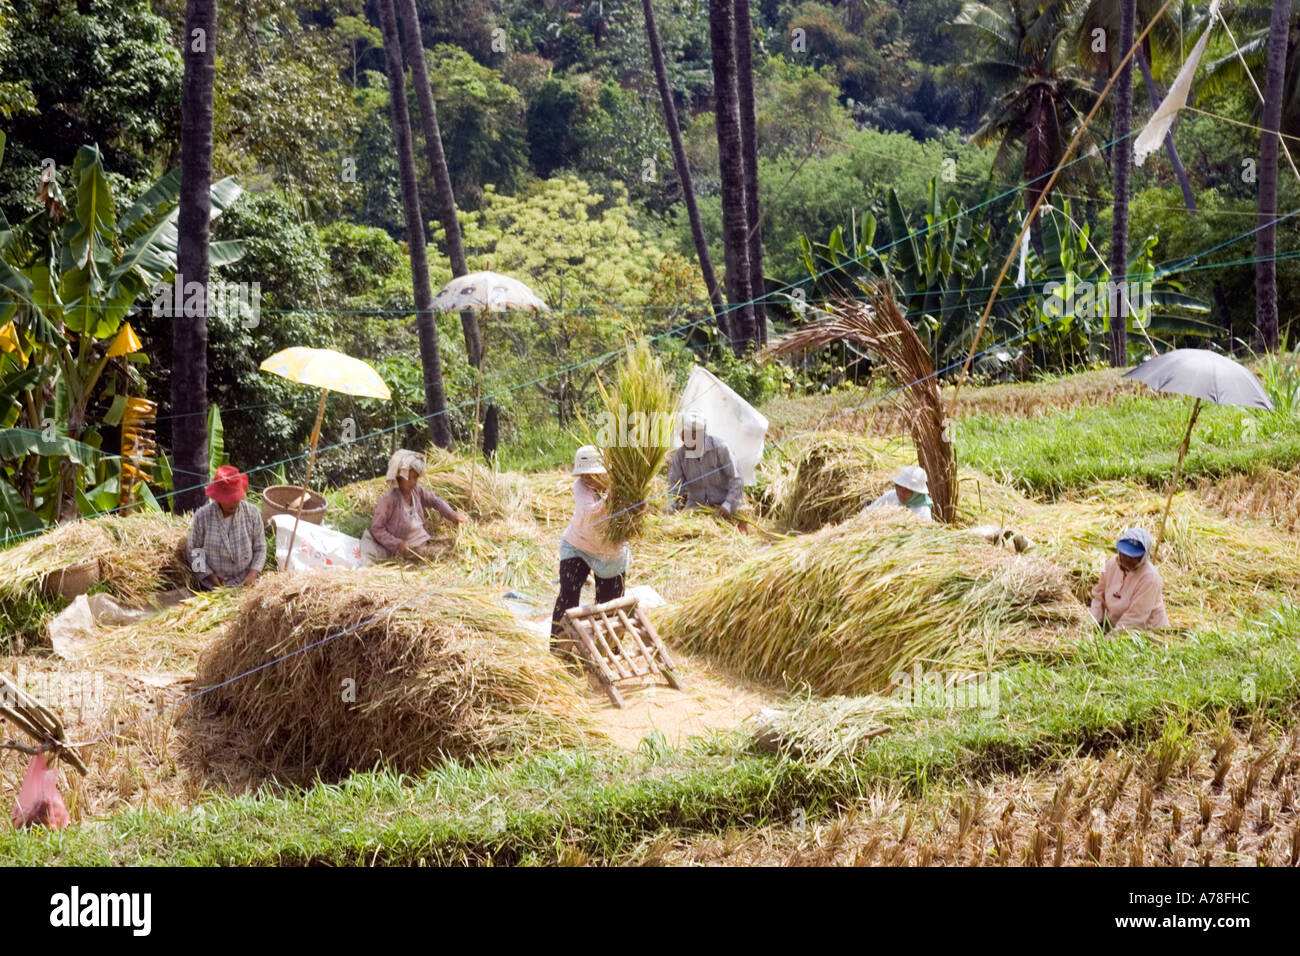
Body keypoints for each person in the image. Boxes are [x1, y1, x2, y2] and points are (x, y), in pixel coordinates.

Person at [551, 445, 631, 653]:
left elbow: (634, 511)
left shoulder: (622, 485)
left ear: (603, 471)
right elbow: (589, 513)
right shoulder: (580, 487)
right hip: (578, 546)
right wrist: (609, 499)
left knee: (609, 603)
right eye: (583, 474)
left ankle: (608, 647)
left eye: (591, 474)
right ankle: (559, 648)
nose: (586, 478)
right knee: (568, 594)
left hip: (610, 552)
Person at [361, 449, 467, 563]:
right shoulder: (389, 500)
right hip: (410, 551)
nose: (413, 482)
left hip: (426, 541)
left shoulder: (416, 491)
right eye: (409, 478)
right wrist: (398, 544)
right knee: (447, 555)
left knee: (459, 545)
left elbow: (435, 501)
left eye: (415, 477)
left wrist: (452, 515)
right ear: (398, 477)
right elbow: (377, 528)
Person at [186, 465, 266, 590]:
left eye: (236, 498)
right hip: (212, 585)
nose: (233, 503)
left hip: (245, 582)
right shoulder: (202, 516)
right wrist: (209, 576)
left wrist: (253, 574)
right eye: (228, 499)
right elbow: (194, 550)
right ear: (218, 497)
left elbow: (260, 548)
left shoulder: (252, 513)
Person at [1090, 527, 1169, 631]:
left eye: (1133, 557)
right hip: (1116, 626)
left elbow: (1135, 618)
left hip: (1144, 632)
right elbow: (1099, 597)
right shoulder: (1110, 565)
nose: (1127, 560)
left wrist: (1110, 639)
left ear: (1143, 557)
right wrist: (1091, 623)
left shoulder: (1150, 578)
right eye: (1124, 554)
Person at [667, 411, 744, 517]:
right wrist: (670, 507)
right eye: (684, 433)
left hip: (721, 507)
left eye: (693, 433)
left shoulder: (720, 448)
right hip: (694, 510)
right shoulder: (680, 456)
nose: (685, 437)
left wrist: (728, 505)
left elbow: (736, 479)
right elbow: (674, 487)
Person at [866, 465, 933, 522]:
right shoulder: (890, 496)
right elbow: (868, 511)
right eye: (898, 487)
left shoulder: (922, 511)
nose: (901, 493)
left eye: (907, 491)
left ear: (916, 493)